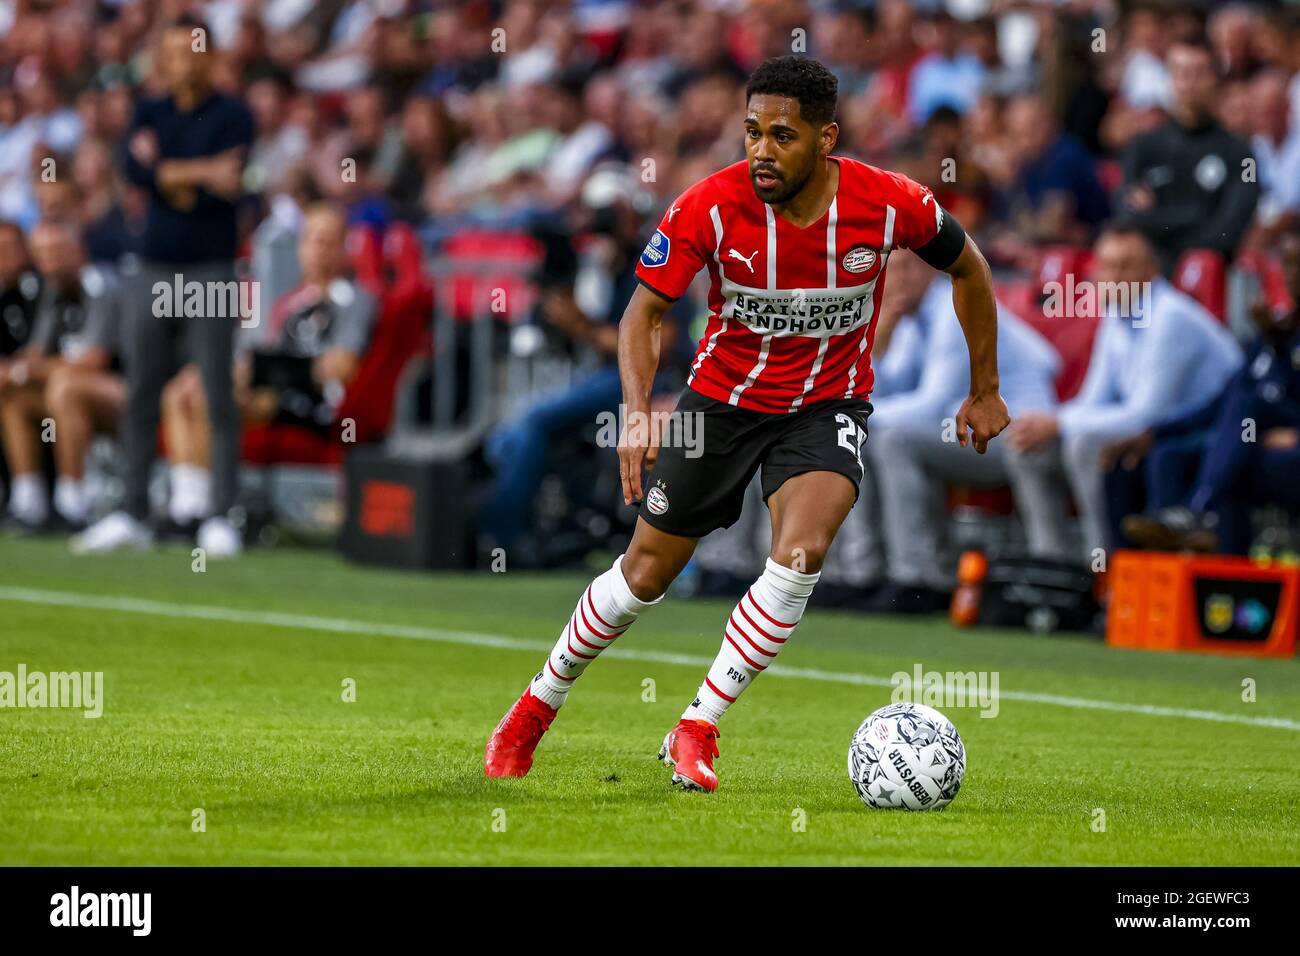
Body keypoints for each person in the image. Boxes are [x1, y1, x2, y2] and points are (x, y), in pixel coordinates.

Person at [484, 57, 1009, 792]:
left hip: (826, 407)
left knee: (800, 555)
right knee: (644, 574)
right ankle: (537, 706)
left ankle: (697, 726)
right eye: (752, 132)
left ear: (826, 139)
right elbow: (645, 310)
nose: (761, 149)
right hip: (722, 406)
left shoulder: (891, 204)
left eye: (782, 136)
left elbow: (971, 269)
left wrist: (985, 388)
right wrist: (639, 415)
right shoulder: (710, 205)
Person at [73, 15, 254, 555]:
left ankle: (223, 514)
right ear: (164, 59)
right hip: (154, 266)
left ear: (210, 55)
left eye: (194, 50)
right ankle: (131, 509)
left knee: (217, 391)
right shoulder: (148, 111)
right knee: (142, 389)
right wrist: (197, 175)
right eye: (175, 51)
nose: (185, 60)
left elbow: (229, 179)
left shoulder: (234, 113)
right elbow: (138, 173)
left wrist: (170, 172)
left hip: (212, 266)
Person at [1003, 222, 1242, 561]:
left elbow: (1146, 414)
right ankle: (1052, 564)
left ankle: (1102, 562)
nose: (1113, 277)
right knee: (1027, 447)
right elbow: (1093, 399)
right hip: (1155, 431)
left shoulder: (1170, 317)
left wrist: (1059, 424)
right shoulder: (1117, 313)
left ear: (1152, 270)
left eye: (1125, 266)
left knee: (1082, 441)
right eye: (1106, 266)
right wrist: (1050, 423)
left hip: (1203, 433)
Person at [159, 204, 376, 550]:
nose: (315, 250)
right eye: (309, 240)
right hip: (277, 392)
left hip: (318, 405)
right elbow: (261, 358)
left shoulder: (355, 300)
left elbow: (341, 365)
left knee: (212, 398)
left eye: (326, 242)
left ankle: (209, 510)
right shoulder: (290, 302)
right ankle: (188, 503)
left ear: (342, 248)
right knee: (182, 390)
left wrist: (278, 371)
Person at [865, 251, 1061, 613]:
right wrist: (878, 345)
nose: (897, 280)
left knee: (891, 438)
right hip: (968, 428)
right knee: (867, 436)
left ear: (932, 269)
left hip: (1018, 430)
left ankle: (918, 578)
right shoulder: (913, 319)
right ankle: (862, 573)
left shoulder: (953, 308)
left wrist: (850, 414)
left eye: (907, 268)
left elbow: (931, 403)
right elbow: (886, 391)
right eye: (889, 271)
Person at [1116, 223, 1300, 553]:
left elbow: (1274, 396)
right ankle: (1167, 565)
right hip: (1253, 438)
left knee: (1248, 409)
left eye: (1298, 263)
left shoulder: (1277, 333)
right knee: (1166, 454)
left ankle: (1199, 513)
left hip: (1284, 440)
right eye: (1287, 262)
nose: (1292, 272)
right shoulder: (1273, 327)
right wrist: (1156, 431)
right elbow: (1221, 403)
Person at [0, 222, 123, 531]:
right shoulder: (54, 292)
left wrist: (21, 370)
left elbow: (95, 361)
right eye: (42, 254)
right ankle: (28, 502)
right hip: (74, 389)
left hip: (126, 392)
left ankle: (72, 504)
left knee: (64, 387)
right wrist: (10, 371)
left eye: (56, 252)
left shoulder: (101, 286)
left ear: (78, 250)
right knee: (13, 393)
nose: (49, 262)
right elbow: (37, 352)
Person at [1120, 35, 1258, 271]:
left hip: (1209, 283)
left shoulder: (1241, 154)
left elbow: (1227, 233)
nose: (1188, 83)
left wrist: (1156, 219)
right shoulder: (1143, 147)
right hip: (1150, 284)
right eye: (1180, 72)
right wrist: (1197, 215)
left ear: (1215, 79)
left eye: (1198, 73)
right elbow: (1127, 220)